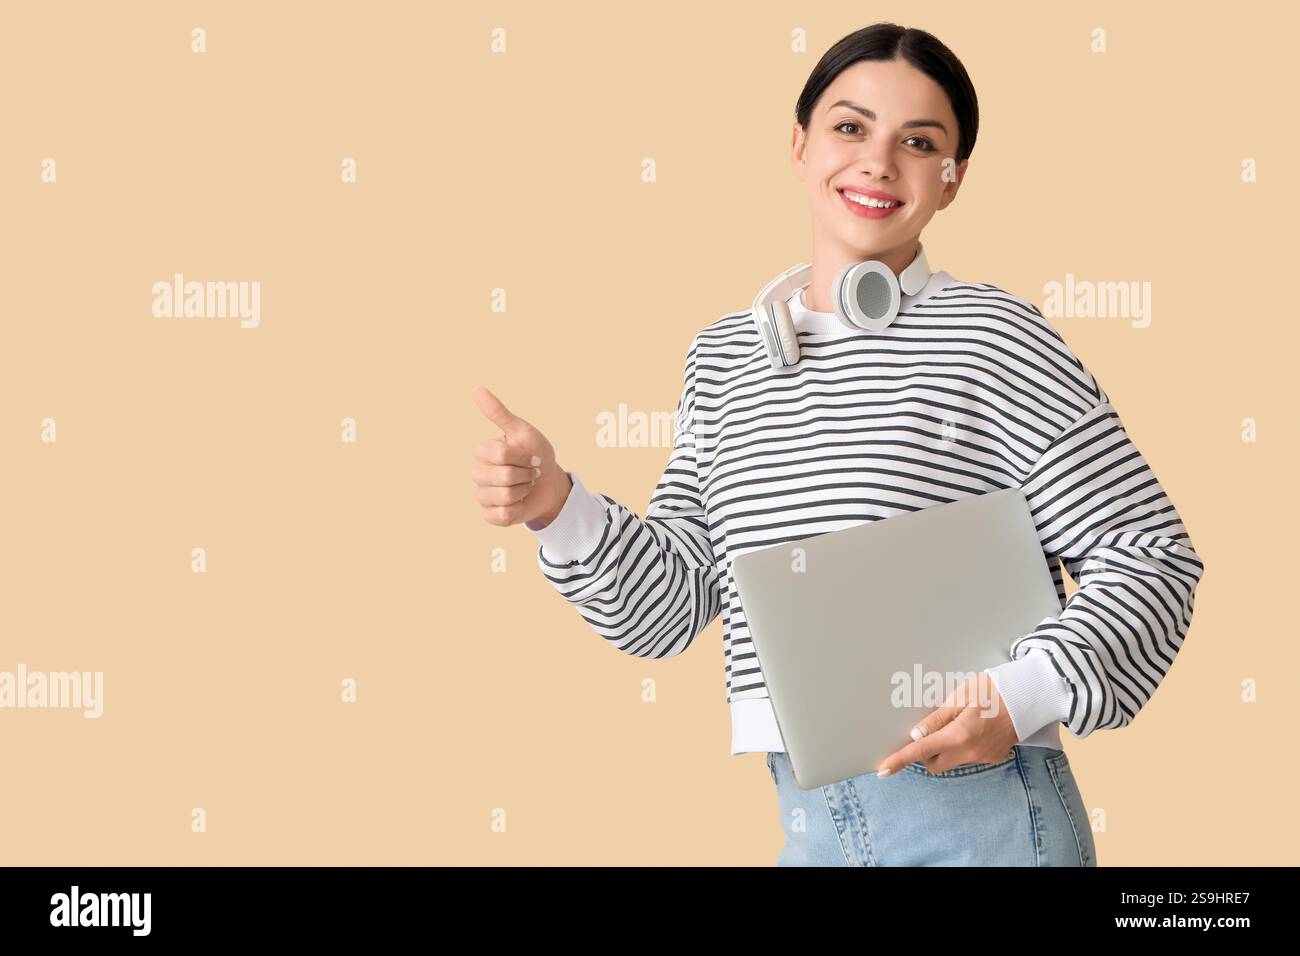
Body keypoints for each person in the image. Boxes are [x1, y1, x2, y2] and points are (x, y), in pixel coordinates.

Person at [470, 22, 1205, 866]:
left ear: (952, 178)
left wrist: (1019, 694)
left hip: (984, 820)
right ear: (798, 145)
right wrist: (556, 507)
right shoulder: (723, 359)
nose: (879, 163)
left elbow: (1148, 555)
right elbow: (670, 606)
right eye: (850, 127)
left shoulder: (992, 334)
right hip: (810, 823)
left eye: (919, 142)